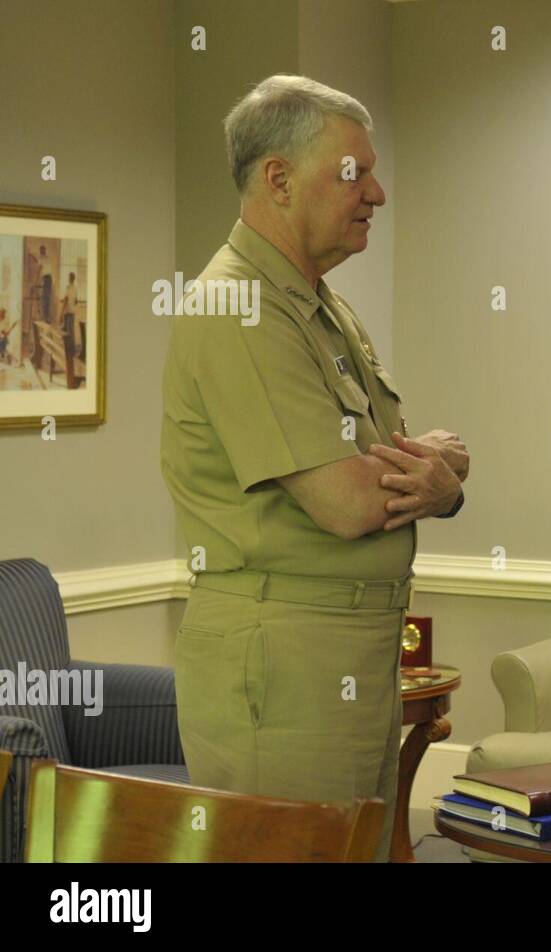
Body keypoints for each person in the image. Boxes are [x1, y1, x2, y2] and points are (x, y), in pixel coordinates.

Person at [160, 74, 468, 862]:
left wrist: (432, 474)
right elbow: (348, 501)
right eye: (354, 173)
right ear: (278, 178)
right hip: (286, 661)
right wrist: (433, 473)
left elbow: (390, 454)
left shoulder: (317, 304)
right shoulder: (238, 308)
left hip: (350, 651)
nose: (377, 194)